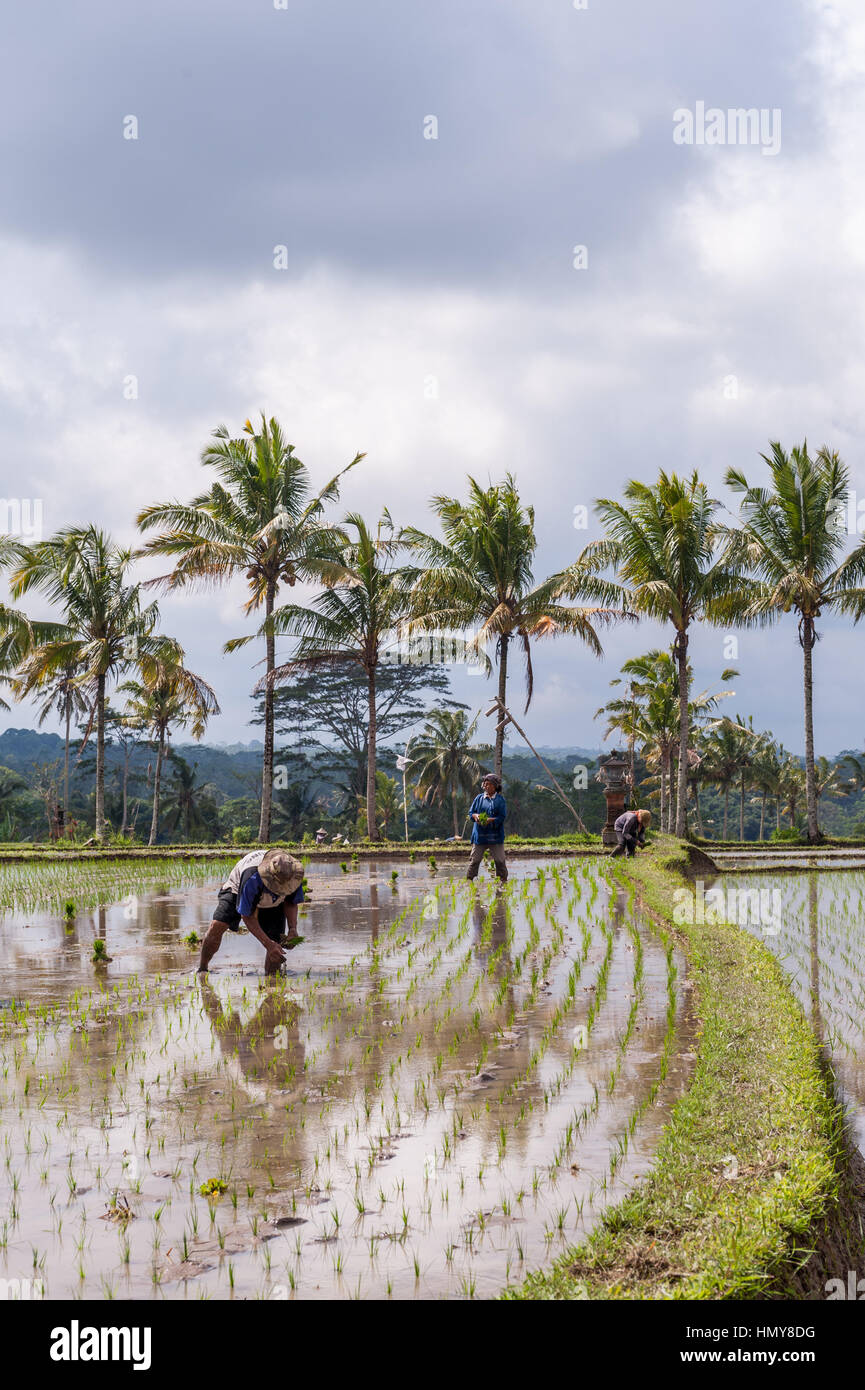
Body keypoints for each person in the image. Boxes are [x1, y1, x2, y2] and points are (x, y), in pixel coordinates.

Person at [197, 848, 305, 976]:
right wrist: (267, 944)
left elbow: (291, 902)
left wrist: (293, 929)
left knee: (275, 941)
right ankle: (202, 969)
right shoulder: (252, 877)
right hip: (237, 889)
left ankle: (272, 979)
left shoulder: (292, 875)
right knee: (218, 925)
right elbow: (247, 916)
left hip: (275, 900)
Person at [466, 774, 508, 883]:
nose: (486, 786)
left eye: (489, 784)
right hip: (480, 836)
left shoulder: (500, 800)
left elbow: (502, 817)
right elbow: (471, 813)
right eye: (485, 784)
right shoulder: (479, 798)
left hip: (495, 836)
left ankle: (503, 880)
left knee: (499, 860)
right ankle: (469, 880)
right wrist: (475, 816)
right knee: (474, 860)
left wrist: (491, 820)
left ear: (495, 786)